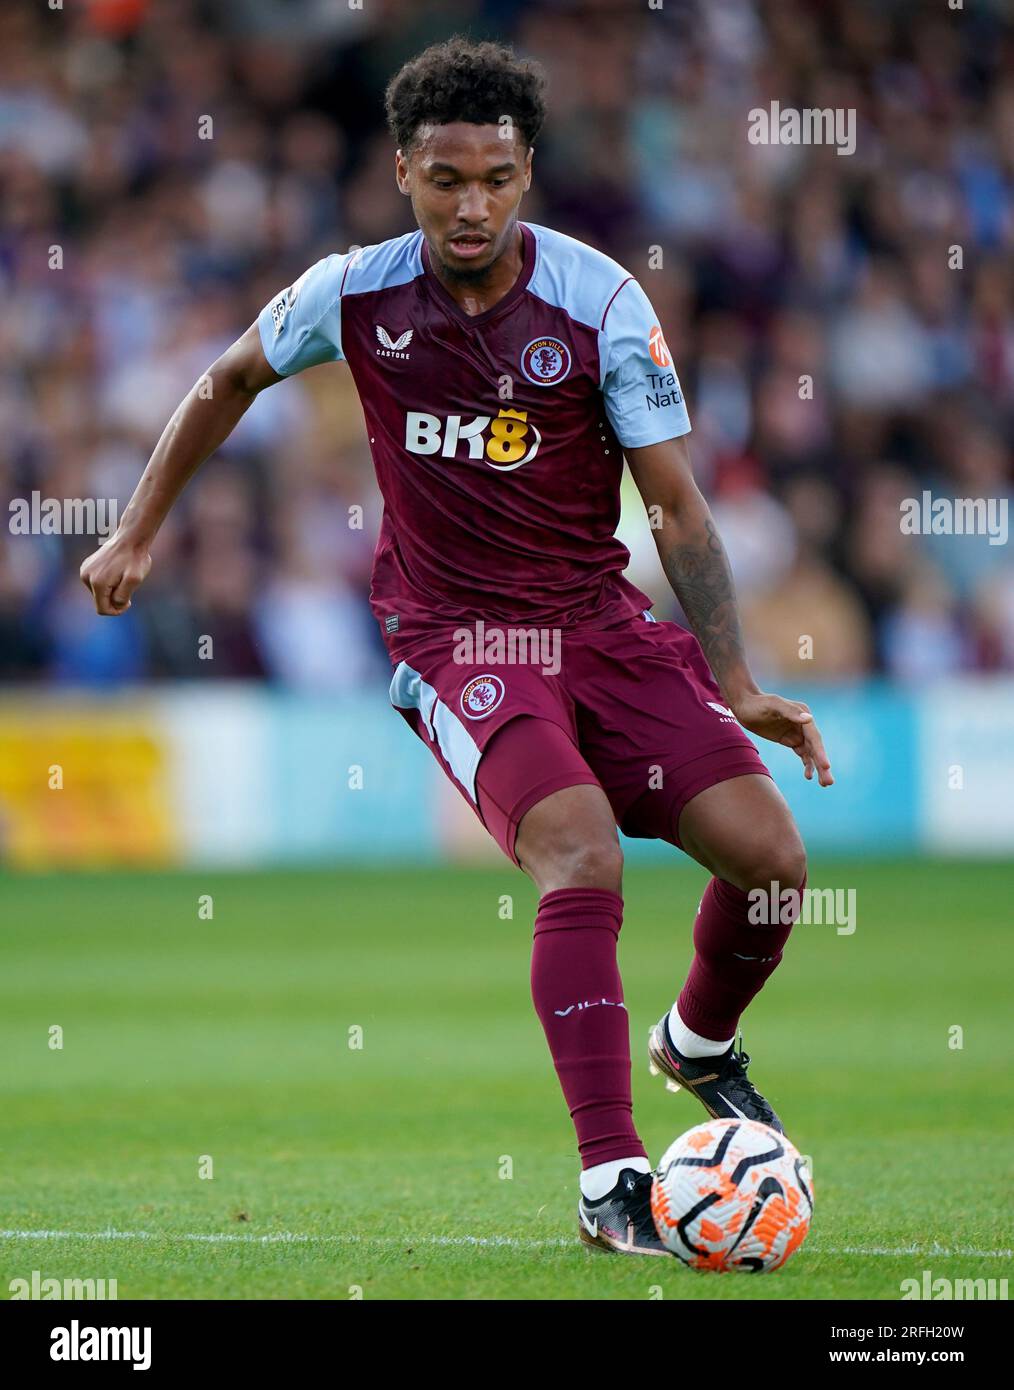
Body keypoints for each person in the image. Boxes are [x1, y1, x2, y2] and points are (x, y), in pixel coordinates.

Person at [80, 36, 832, 1257]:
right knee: (581, 856)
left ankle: (696, 1043)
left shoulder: (602, 303)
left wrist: (736, 680)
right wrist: (133, 532)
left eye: (493, 176)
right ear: (402, 173)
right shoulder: (351, 292)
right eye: (445, 179)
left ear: (527, 172)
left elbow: (679, 507)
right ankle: (611, 1181)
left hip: (597, 621)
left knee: (775, 861)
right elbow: (222, 382)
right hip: (454, 635)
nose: (470, 203)